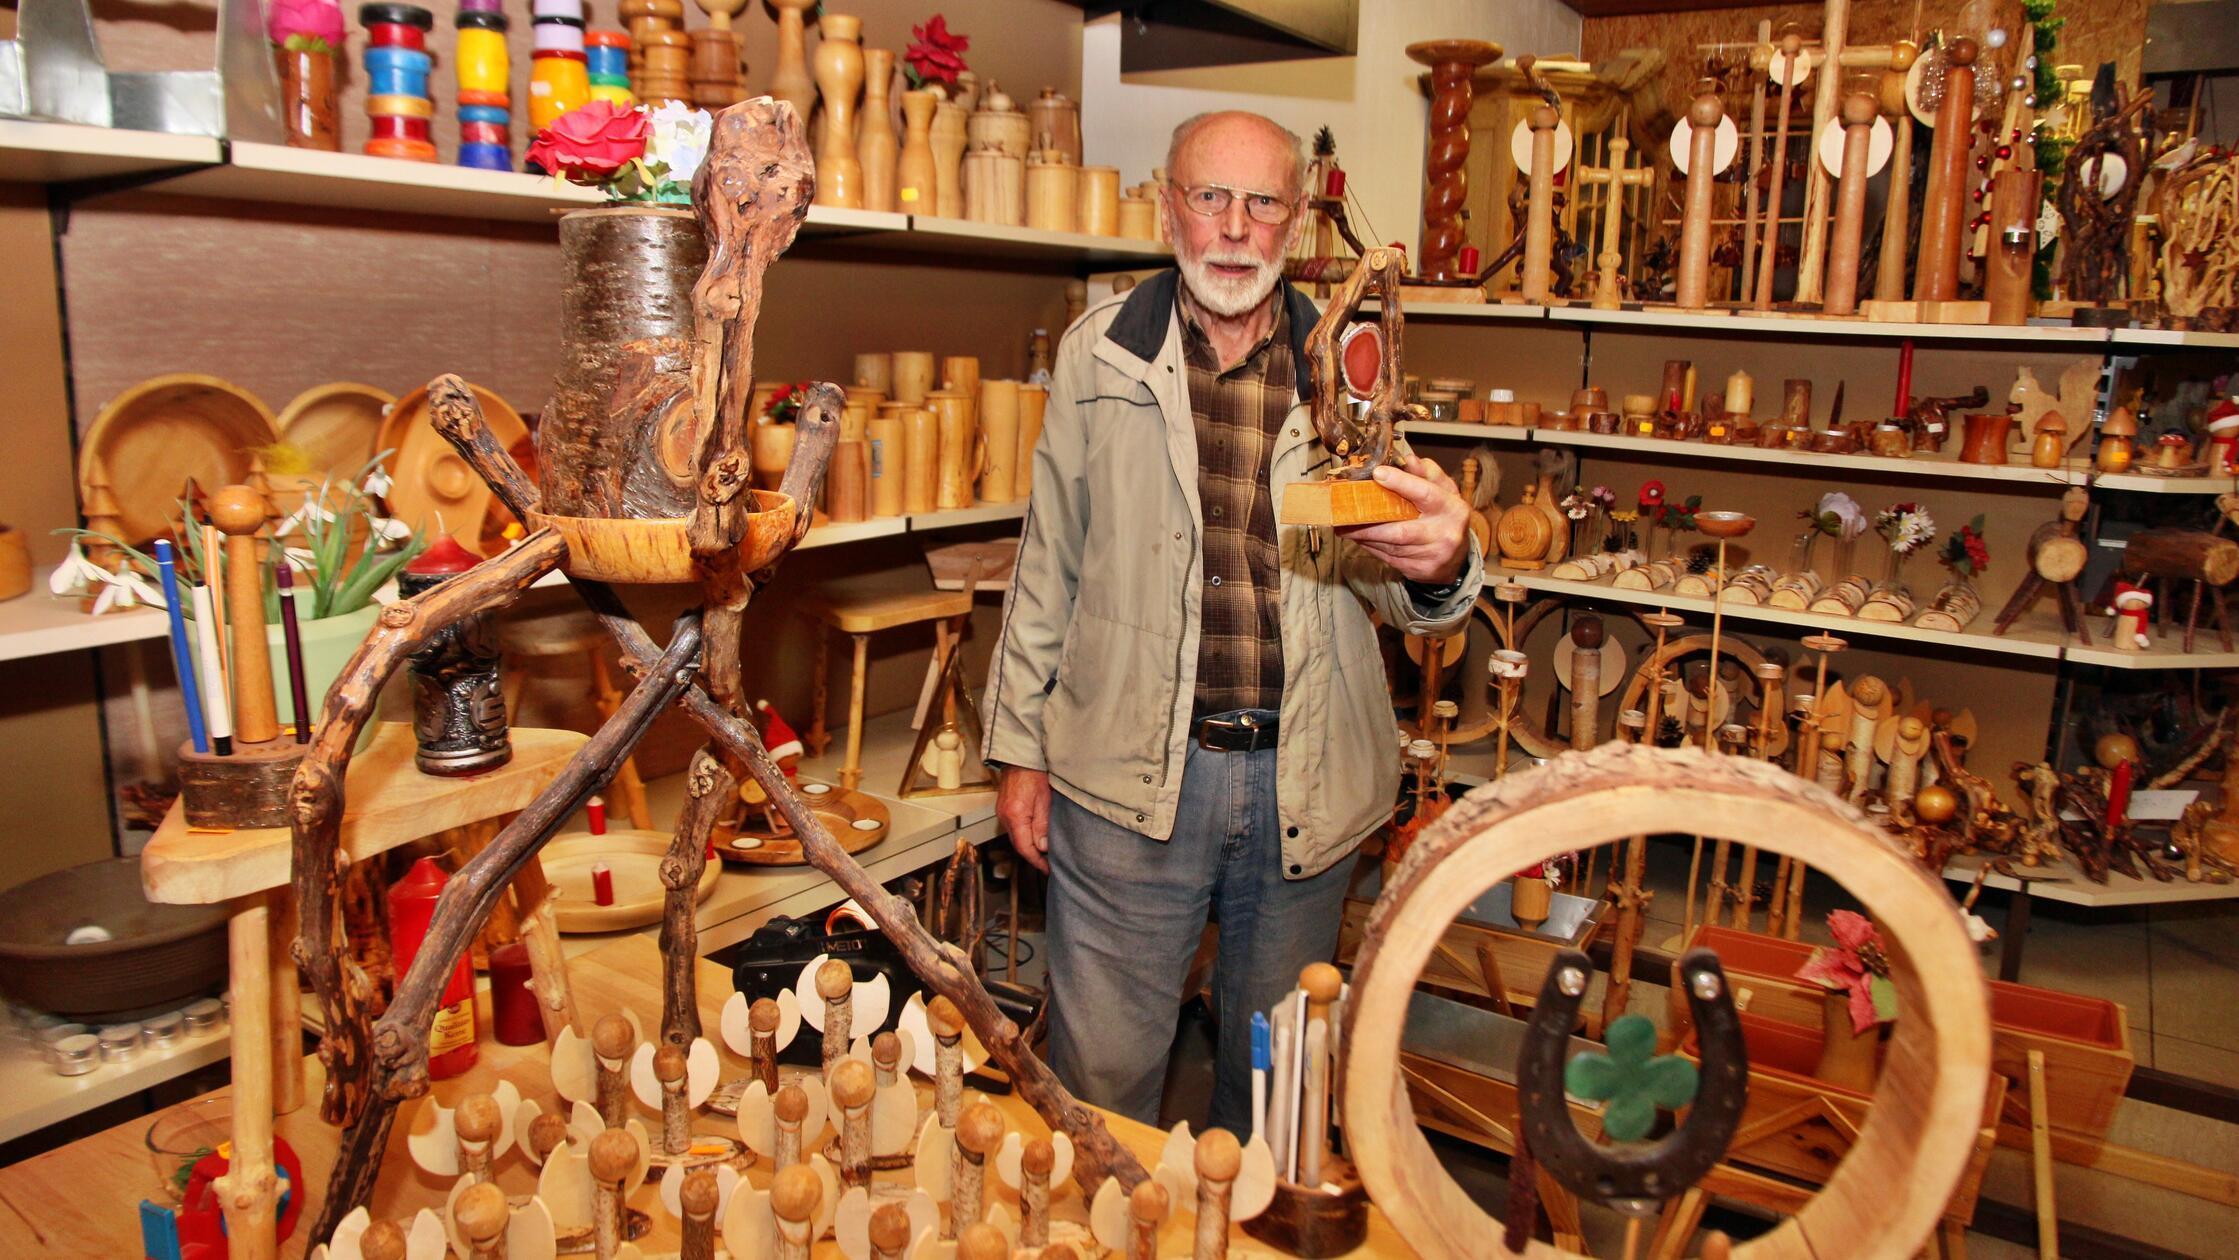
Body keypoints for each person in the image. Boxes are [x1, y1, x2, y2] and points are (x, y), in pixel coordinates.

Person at [980, 110, 1482, 1132]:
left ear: (1296, 223)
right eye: (1210, 196)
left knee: (1273, 1091)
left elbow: (1396, 583)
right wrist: (1019, 752)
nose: (1235, 228)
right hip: (1124, 784)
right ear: (1167, 210)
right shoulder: (1099, 357)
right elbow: (1048, 566)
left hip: (1303, 785)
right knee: (1101, 1090)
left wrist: (1442, 563)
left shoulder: (1348, 367)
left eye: (1262, 203)